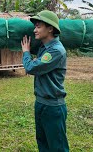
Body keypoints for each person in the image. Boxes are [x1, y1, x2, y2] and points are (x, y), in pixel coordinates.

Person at [21, 10, 69, 152]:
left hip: (53, 107)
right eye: (34, 27)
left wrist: (26, 52)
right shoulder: (43, 47)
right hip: (41, 103)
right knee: (43, 145)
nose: (35, 30)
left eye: (38, 27)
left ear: (50, 28)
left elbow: (31, 68)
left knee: (57, 147)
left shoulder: (56, 51)